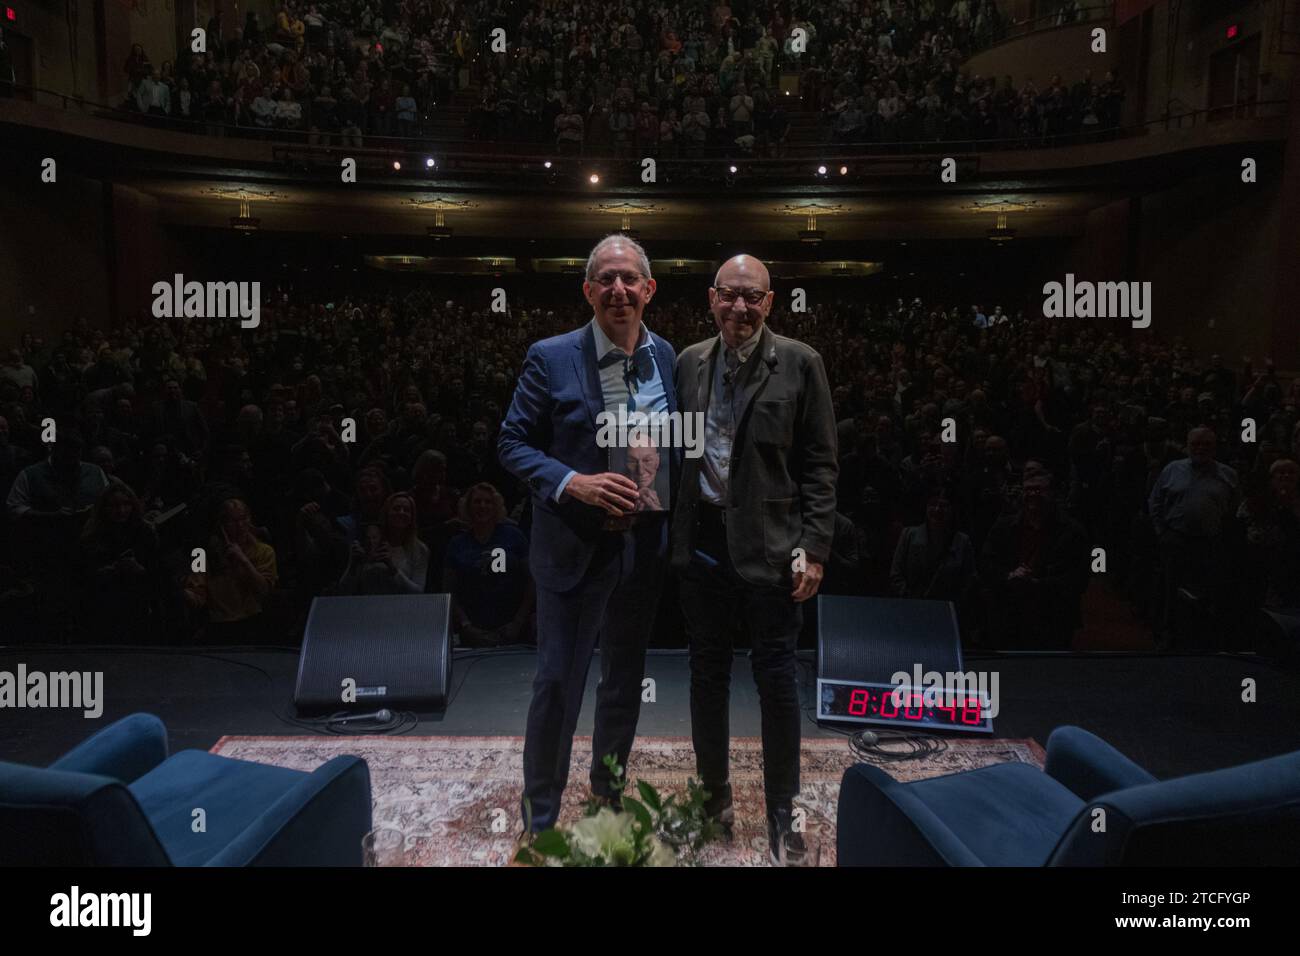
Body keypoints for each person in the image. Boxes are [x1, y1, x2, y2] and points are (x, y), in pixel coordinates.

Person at [498, 234, 677, 834]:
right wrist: (572, 481)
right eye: (606, 279)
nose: (618, 289)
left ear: (649, 289)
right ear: (588, 290)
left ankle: (607, 791)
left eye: (629, 279)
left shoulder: (669, 358)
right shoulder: (550, 355)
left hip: (642, 548)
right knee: (558, 684)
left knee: (624, 680)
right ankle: (540, 817)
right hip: (572, 545)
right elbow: (511, 443)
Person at [670, 254, 837, 865]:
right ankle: (713, 806)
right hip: (705, 545)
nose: (739, 307)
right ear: (711, 298)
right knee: (706, 676)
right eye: (728, 296)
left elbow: (820, 464)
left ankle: (782, 814)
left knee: (776, 683)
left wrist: (814, 548)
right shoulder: (688, 361)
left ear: (770, 302)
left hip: (773, 546)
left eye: (752, 297)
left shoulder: (800, 362)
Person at [1147, 426, 1240, 645]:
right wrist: (1162, 532)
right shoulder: (1172, 469)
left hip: (1209, 543)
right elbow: (1155, 501)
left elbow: (1234, 508)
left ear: (1215, 448)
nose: (1201, 448)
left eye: (1206, 444)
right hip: (1176, 539)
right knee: (1170, 589)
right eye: (1196, 444)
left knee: (1206, 591)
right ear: (1188, 446)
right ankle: (1167, 635)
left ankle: (1199, 636)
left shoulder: (1228, 475)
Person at [444, 483, 533, 646]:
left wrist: (518, 623)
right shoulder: (457, 544)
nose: (482, 506)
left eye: (488, 502)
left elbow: (531, 581)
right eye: (477, 502)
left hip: (512, 630)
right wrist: (466, 626)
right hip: (473, 632)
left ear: (496, 506)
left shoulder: (514, 536)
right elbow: (449, 591)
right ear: (468, 507)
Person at [184, 497, 278, 643]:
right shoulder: (201, 554)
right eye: (232, 521)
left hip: (252, 621)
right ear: (221, 525)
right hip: (218, 625)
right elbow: (197, 594)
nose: (239, 526)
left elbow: (264, 590)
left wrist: (244, 561)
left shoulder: (265, 551)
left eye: (243, 519)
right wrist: (184, 593)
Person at [338, 491, 430, 594]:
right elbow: (344, 590)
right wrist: (353, 566)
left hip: (400, 606)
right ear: (386, 513)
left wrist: (392, 568)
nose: (401, 512)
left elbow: (418, 592)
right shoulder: (368, 540)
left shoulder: (419, 549)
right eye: (396, 508)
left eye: (407, 510)